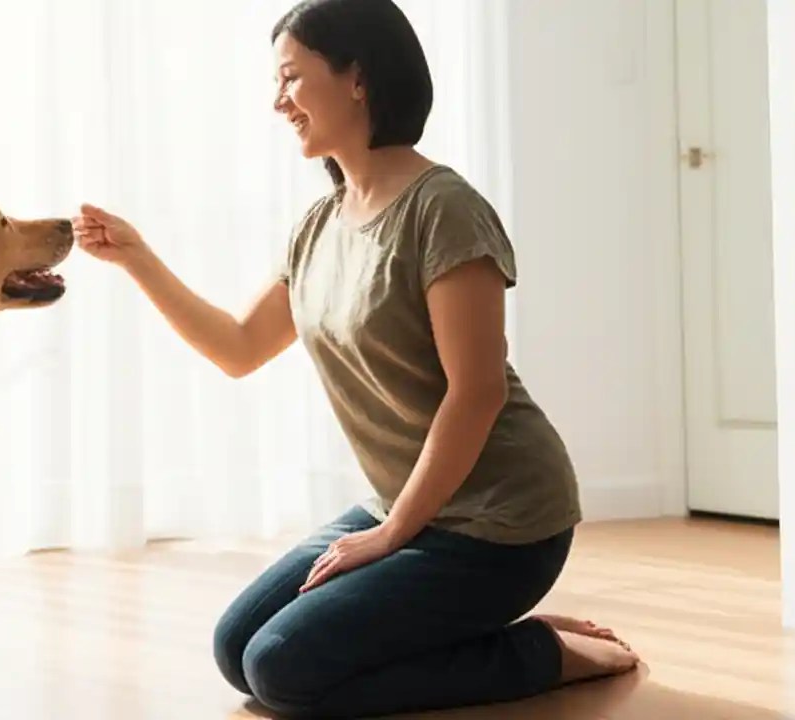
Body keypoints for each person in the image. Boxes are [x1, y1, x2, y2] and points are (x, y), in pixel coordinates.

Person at [73, 0, 640, 716]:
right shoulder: (320, 223)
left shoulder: (443, 209)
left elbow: (478, 393)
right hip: (404, 505)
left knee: (283, 671)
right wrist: (136, 257)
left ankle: (539, 653)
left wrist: (391, 536)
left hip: (501, 524)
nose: (278, 102)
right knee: (236, 649)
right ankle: (465, 628)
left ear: (358, 80)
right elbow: (238, 349)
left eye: (291, 79)